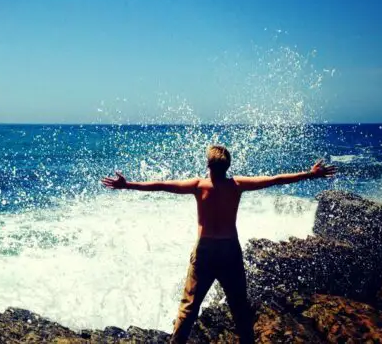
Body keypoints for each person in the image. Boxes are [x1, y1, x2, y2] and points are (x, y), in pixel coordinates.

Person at [101, 145, 336, 343]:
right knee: (239, 307)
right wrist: (310, 174)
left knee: (189, 307)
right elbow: (275, 180)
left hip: (205, 250)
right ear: (227, 166)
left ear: (208, 165)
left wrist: (127, 185)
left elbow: (162, 185)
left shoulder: (198, 185)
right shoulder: (237, 184)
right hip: (229, 250)